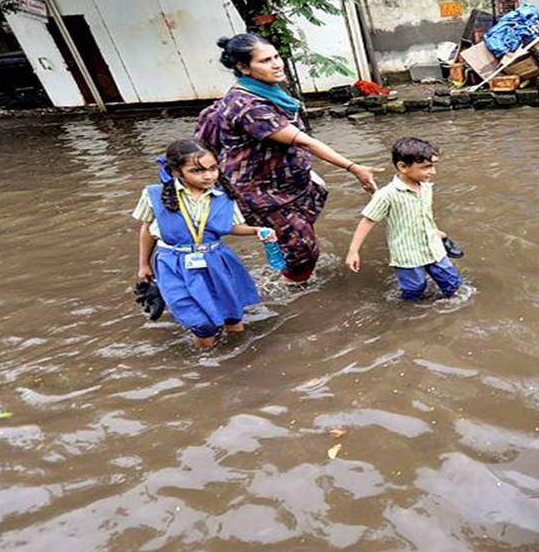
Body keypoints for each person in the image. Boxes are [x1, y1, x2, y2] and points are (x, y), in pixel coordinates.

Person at [196, 33, 382, 282]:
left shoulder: (270, 91)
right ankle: (292, 286)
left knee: (306, 219)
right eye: (265, 60)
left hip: (289, 181)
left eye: (276, 56)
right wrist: (353, 167)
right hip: (262, 192)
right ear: (243, 67)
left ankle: (285, 251)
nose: (276, 64)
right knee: (304, 251)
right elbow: (303, 140)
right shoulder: (248, 105)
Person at [133, 139, 276, 348]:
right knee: (201, 324)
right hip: (173, 263)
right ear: (176, 171)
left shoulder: (223, 195)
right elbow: (147, 229)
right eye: (197, 171)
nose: (208, 176)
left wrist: (256, 230)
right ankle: (207, 361)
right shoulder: (153, 195)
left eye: (213, 168)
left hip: (216, 260)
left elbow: (232, 226)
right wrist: (143, 264)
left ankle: (238, 357)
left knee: (232, 317)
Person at [345, 137, 462, 301]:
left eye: (433, 166)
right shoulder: (387, 195)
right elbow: (368, 220)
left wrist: (436, 231)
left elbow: (423, 214)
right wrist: (353, 251)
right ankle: (410, 313)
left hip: (433, 246)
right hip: (407, 254)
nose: (433, 171)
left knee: (452, 282)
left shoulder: (426, 187)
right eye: (426, 167)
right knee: (414, 289)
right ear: (402, 167)